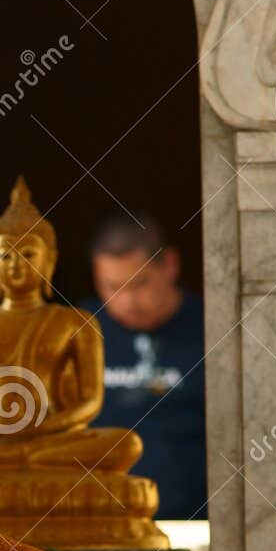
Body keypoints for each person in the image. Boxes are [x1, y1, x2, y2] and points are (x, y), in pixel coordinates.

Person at [84, 213, 207, 521]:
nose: (127, 301)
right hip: (99, 523)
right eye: (112, 287)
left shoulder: (212, 326)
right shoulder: (78, 332)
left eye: (138, 284)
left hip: (196, 525)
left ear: (170, 265)